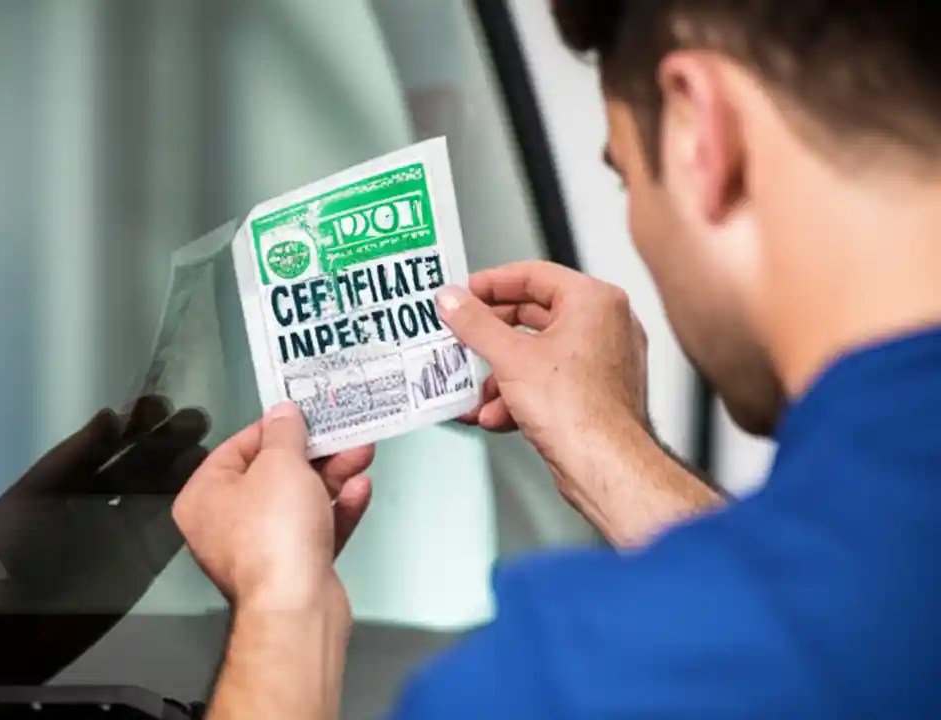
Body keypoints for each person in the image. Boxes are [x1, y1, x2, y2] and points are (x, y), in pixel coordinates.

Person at [171, 1, 941, 717]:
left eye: (625, 178)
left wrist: (282, 606)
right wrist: (608, 447)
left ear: (698, 130)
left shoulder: (575, 681)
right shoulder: (879, 588)